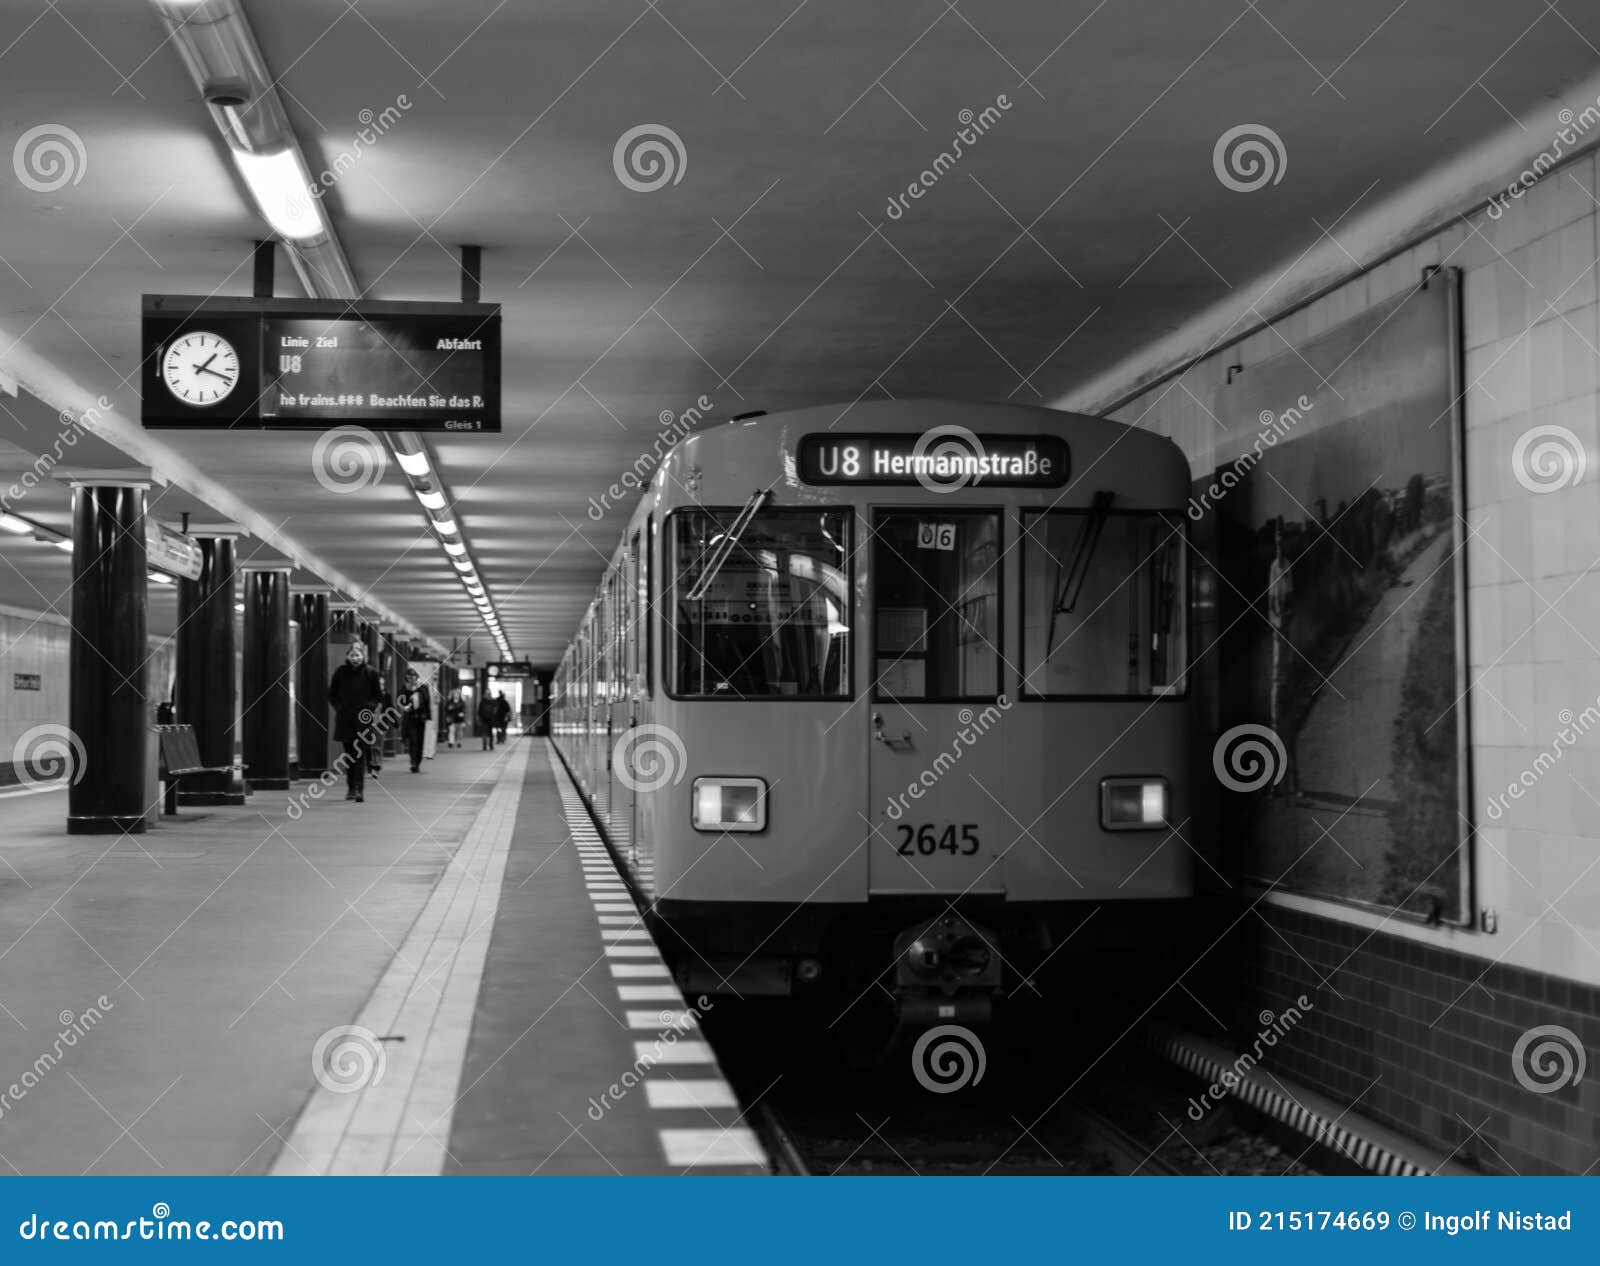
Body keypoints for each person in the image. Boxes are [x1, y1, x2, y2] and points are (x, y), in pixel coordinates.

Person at [328, 642, 384, 803]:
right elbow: (332, 694)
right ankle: (351, 786)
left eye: (358, 655)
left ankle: (359, 789)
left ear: (363, 656)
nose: (355, 658)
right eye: (352, 655)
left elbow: (377, 695)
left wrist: (369, 708)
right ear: (348, 656)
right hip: (345, 719)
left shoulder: (371, 673)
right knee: (348, 755)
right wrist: (339, 708)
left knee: (358, 754)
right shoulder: (340, 672)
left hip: (363, 720)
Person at [399, 668, 432, 773]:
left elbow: (427, 701)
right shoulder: (404, 688)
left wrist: (428, 717)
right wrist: (409, 692)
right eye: (409, 677)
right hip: (410, 718)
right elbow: (400, 699)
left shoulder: (423, 687)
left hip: (421, 718)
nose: (412, 679)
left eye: (414, 677)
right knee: (413, 740)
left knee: (420, 741)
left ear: (417, 678)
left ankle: (417, 762)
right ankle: (413, 762)